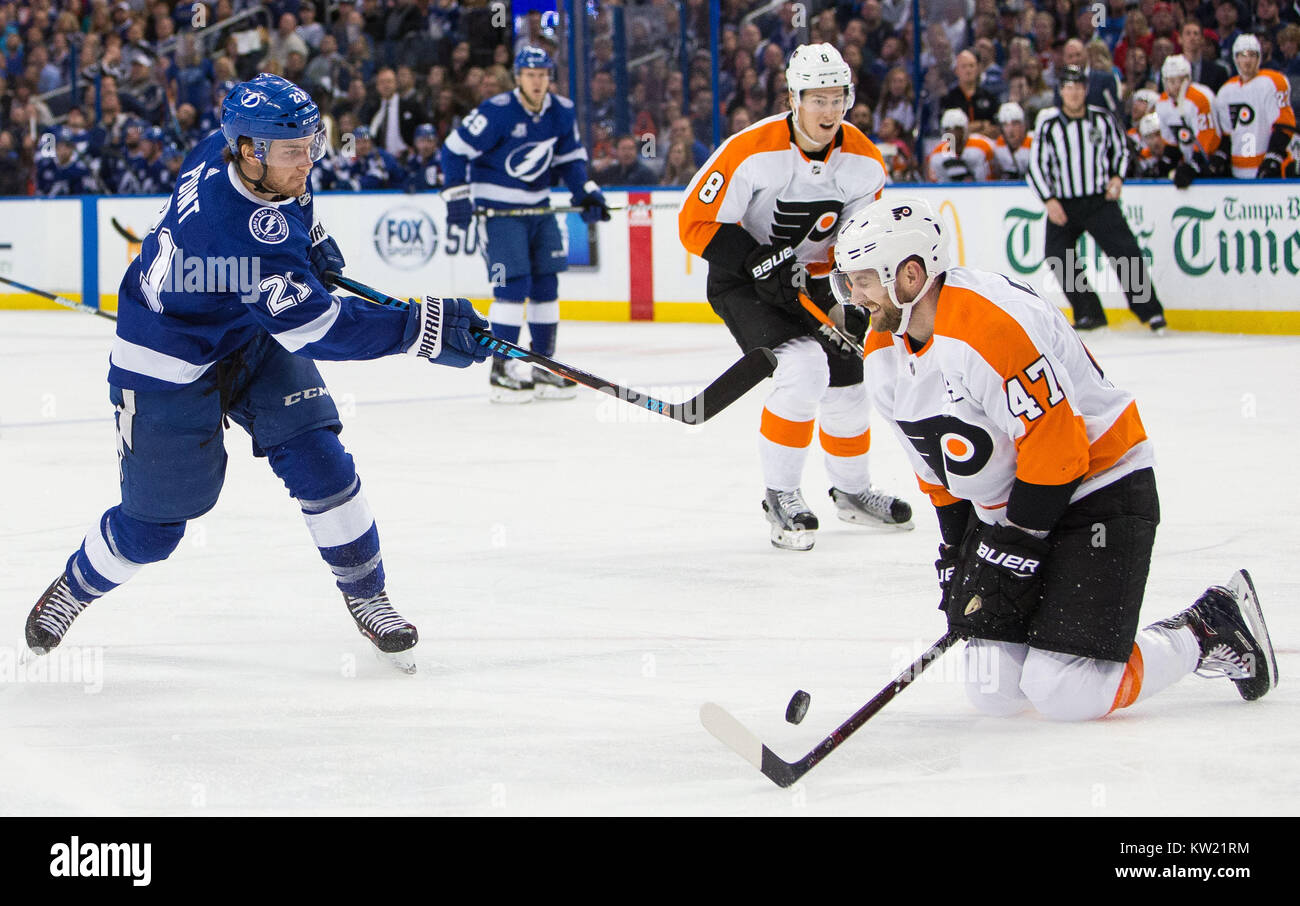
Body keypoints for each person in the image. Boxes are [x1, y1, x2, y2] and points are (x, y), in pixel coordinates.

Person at [21, 74, 490, 674]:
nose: (308, 161)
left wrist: (314, 240)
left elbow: (290, 219)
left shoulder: (241, 156)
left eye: (313, 145)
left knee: (320, 457)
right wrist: (419, 328)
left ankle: (367, 593)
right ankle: (75, 588)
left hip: (244, 330)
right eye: (294, 152)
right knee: (154, 529)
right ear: (249, 150)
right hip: (165, 361)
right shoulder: (236, 229)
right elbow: (318, 329)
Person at [830, 195, 1278, 721]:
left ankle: (1206, 628)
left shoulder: (988, 325)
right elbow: (937, 468)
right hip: (1017, 507)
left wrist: (1015, 549)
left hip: (1100, 489)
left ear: (909, 275)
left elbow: (1059, 447)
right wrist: (958, 551)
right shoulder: (885, 351)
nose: (852, 295)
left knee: (1067, 691)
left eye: (862, 279)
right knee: (994, 690)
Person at [678, 43, 913, 551]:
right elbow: (693, 222)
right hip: (741, 280)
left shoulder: (864, 162)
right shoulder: (752, 150)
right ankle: (780, 496)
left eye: (838, 98)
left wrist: (852, 297)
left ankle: (851, 493)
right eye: (817, 99)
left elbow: (855, 244)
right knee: (803, 368)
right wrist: (755, 258)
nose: (829, 111)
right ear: (793, 97)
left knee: (850, 381)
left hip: (810, 282)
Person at [440, 46, 609, 403]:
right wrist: (457, 197)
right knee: (512, 287)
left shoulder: (561, 111)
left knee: (547, 283)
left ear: (550, 77)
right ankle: (502, 369)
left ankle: (543, 365)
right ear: (518, 77)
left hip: (538, 210)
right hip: (499, 215)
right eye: (530, 75)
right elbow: (453, 150)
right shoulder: (497, 112)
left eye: (543, 74)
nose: (537, 81)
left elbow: (570, 160)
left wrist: (586, 193)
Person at [1028, 66, 1167, 332]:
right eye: (1068, 87)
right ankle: (1089, 312)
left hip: (1099, 200)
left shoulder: (1102, 119)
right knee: (1057, 254)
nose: (1074, 92)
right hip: (1064, 203)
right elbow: (1035, 167)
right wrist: (1049, 200)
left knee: (1125, 252)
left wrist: (1117, 178)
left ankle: (1150, 312)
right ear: (1061, 91)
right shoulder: (1048, 126)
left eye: (1079, 86)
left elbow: (1122, 151)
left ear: (1086, 89)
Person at [1210, 34, 1296, 179]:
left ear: (1259, 58)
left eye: (1252, 55)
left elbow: (1285, 126)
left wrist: (1273, 157)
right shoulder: (1225, 91)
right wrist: (1221, 157)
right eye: (1243, 55)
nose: (1247, 60)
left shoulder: (1274, 81)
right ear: (1235, 58)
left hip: (1268, 167)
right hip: (1237, 169)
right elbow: (1226, 134)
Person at [1154, 54, 1220, 187]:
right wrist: (1167, 163)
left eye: (1179, 80)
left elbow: (1207, 138)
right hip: (1189, 160)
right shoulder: (1162, 103)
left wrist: (1194, 166)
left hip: (1212, 161)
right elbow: (1171, 142)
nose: (1175, 86)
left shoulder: (1200, 98)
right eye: (1170, 81)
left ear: (1187, 79)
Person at [926, 107, 997, 182]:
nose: (953, 133)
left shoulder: (983, 146)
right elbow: (937, 186)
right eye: (948, 129)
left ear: (965, 130)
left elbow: (993, 177)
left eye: (957, 129)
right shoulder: (937, 155)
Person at [992, 102, 1033, 180]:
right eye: (1005, 125)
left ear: (1024, 125)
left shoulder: (1034, 143)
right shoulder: (997, 145)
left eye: (1015, 124)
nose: (1010, 130)